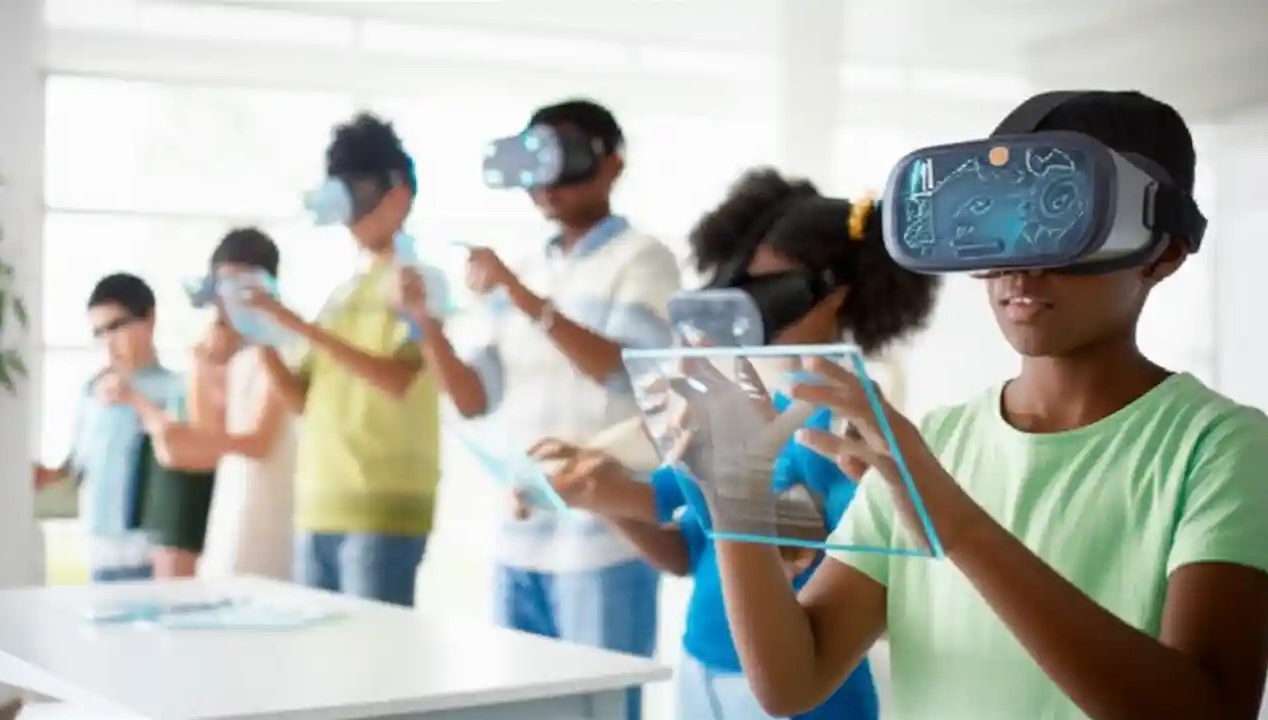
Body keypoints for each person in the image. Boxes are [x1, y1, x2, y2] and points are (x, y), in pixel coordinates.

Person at [713, 91, 1268, 720]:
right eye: (998, 223)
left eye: (1064, 223)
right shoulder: (931, 444)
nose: (1020, 266)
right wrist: (732, 493)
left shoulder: (1221, 447)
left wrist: (956, 523)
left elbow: (1210, 709)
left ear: (1163, 252)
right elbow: (792, 680)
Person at [528, 168, 939, 719]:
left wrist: (763, 513)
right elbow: (684, 549)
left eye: (772, 286)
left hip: (800, 685)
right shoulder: (751, 405)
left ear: (834, 293)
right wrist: (589, 492)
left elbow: (844, 546)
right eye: (745, 283)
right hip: (702, 668)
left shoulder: (847, 422)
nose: (752, 306)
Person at [409, 98, 680, 720]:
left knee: (598, 707)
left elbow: (627, 372)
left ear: (611, 165)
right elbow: (475, 398)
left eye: (566, 160)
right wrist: (426, 324)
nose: (549, 182)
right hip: (522, 533)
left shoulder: (642, 259)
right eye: (538, 163)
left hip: (608, 535)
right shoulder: (525, 269)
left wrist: (523, 297)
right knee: (523, 707)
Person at [251, 113, 436, 607]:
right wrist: (259, 333)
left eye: (361, 194)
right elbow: (300, 399)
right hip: (317, 505)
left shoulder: (423, 282)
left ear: (398, 193)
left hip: (383, 507)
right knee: (326, 674)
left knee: (375, 674)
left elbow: (398, 379)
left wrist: (294, 324)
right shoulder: (341, 293)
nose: (352, 216)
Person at [124, 228, 296, 581]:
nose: (228, 301)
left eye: (240, 286)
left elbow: (259, 441)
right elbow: (208, 435)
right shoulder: (232, 355)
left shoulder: (285, 345)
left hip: (274, 514)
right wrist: (202, 368)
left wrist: (169, 432)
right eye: (223, 287)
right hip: (232, 513)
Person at [34, 273, 183, 582]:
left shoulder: (175, 389)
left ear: (150, 319)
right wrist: (43, 476)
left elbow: (180, 453)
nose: (108, 341)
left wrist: (133, 399)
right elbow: (77, 466)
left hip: (151, 550)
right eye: (99, 331)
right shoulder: (91, 391)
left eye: (116, 326)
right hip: (99, 550)